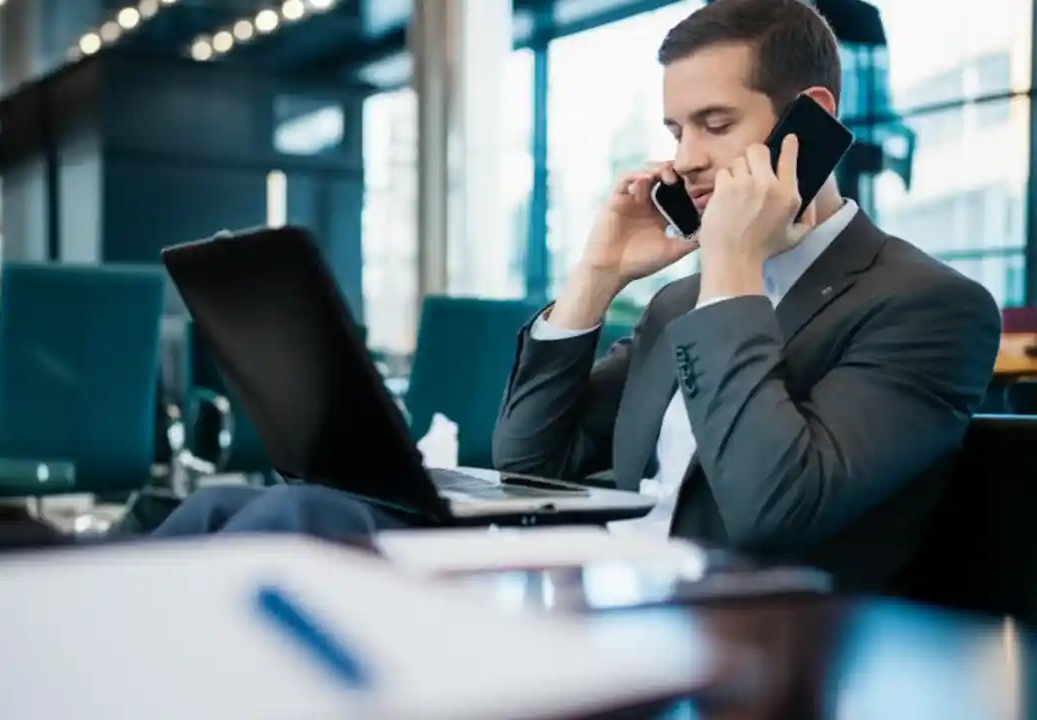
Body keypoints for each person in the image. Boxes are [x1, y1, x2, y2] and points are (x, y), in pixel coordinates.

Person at [154, 0, 1000, 592]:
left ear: (808, 119)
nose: (688, 158)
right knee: (239, 505)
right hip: (591, 589)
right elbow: (526, 464)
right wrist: (595, 280)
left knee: (303, 519)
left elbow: (775, 509)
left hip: (733, 622)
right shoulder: (678, 307)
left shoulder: (926, 305)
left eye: (715, 123)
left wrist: (734, 268)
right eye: (676, 131)